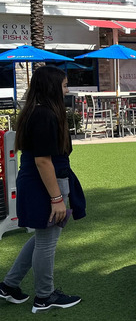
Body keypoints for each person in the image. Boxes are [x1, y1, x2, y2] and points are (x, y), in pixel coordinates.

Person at [0, 66, 85, 313]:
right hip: (45, 182)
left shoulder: (35, 112)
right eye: (64, 85)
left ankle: (9, 285)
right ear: (52, 87)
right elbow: (43, 160)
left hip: (39, 180)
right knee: (47, 240)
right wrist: (57, 198)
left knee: (41, 236)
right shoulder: (45, 114)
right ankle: (44, 297)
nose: (67, 90)